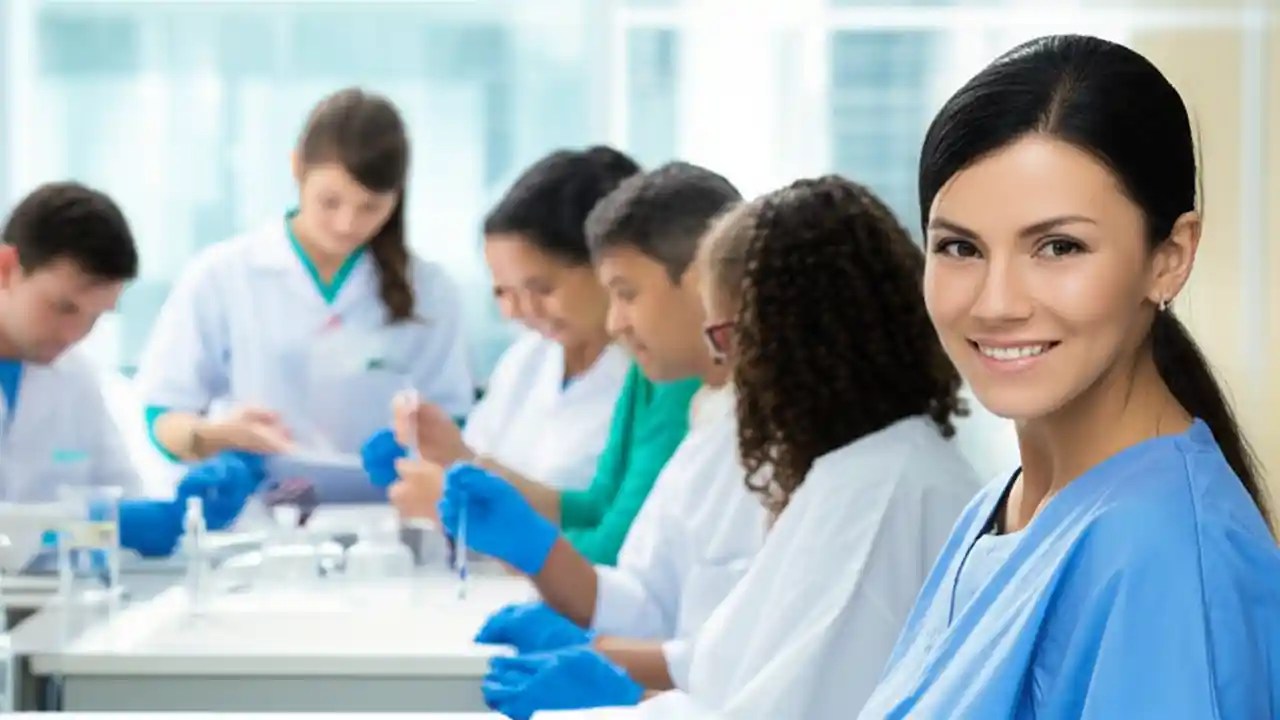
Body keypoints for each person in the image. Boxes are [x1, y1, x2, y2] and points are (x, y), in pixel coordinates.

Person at [857, 35, 1280, 719]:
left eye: (1058, 247)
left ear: (1169, 257)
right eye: (959, 247)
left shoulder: (1165, 567)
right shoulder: (1005, 508)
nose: (996, 303)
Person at [463, 175, 981, 719]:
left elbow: (786, 708)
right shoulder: (849, 472)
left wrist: (621, 697)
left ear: (793, 338)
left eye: (731, 339)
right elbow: (731, 669)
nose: (731, 369)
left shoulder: (878, 491)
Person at [451, 162, 766, 695]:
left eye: (626, 292)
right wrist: (534, 550)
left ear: (701, 281)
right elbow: (649, 599)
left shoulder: (773, 440)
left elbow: (747, 671)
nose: (615, 322)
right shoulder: (707, 417)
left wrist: (610, 674)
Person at [384, 162, 736, 566]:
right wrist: (466, 470)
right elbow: (596, 506)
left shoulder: (680, 377)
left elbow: (615, 550)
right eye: (502, 292)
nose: (614, 322)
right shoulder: (648, 374)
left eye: (626, 293)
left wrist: (482, 525)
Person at [135, 87, 472, 502]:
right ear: (296, 168)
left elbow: (452, 419)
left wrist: (417, 440)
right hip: (256, 517)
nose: (348, 224)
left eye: (371, 207)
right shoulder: (223, 275)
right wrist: (210, 437)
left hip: (385, 523)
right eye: (330, 201)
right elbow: (161, 412)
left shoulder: (431, 291)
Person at [0, 182, 262, 559]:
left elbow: (119, 502)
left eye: (95, 317)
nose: (75, 334)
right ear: (7, 268)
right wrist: (78, 525)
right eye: (63, 308)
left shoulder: (75, 378)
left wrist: (179, 516)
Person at [360, 146, 638, 501]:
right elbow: (470, 466)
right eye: (503, 292)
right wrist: (427, 453)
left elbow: (600, 526)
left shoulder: (645, 380)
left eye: (542, 288)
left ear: (606, 267)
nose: (518, 311)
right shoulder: (526, 362)